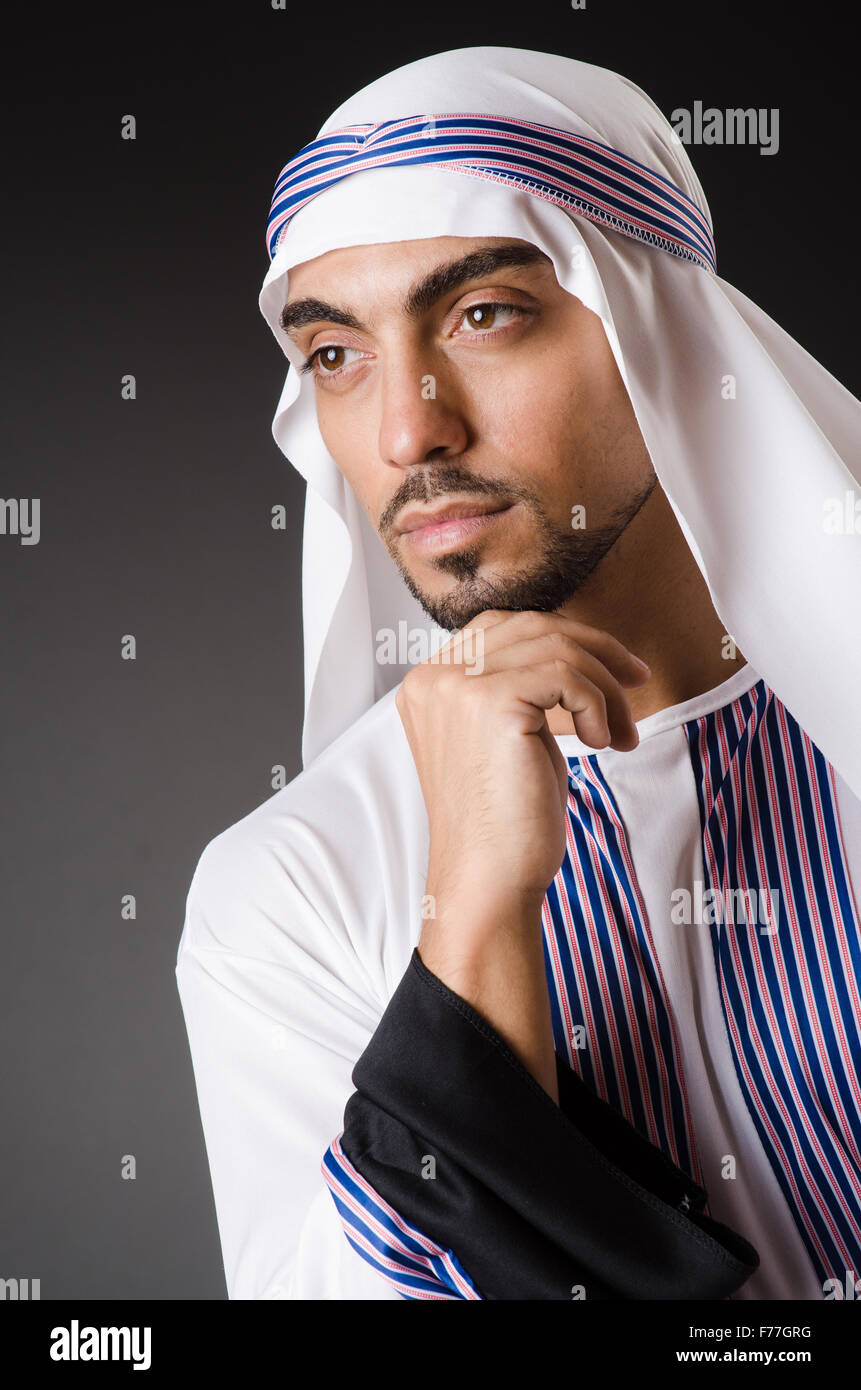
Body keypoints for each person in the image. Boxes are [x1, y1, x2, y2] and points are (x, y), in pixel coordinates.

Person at [175, 46, 861, 1300]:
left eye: (483, 314)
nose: (406, 431)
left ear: (660, 326)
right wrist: (474, 921)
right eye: (338, 354)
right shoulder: (288, 893)